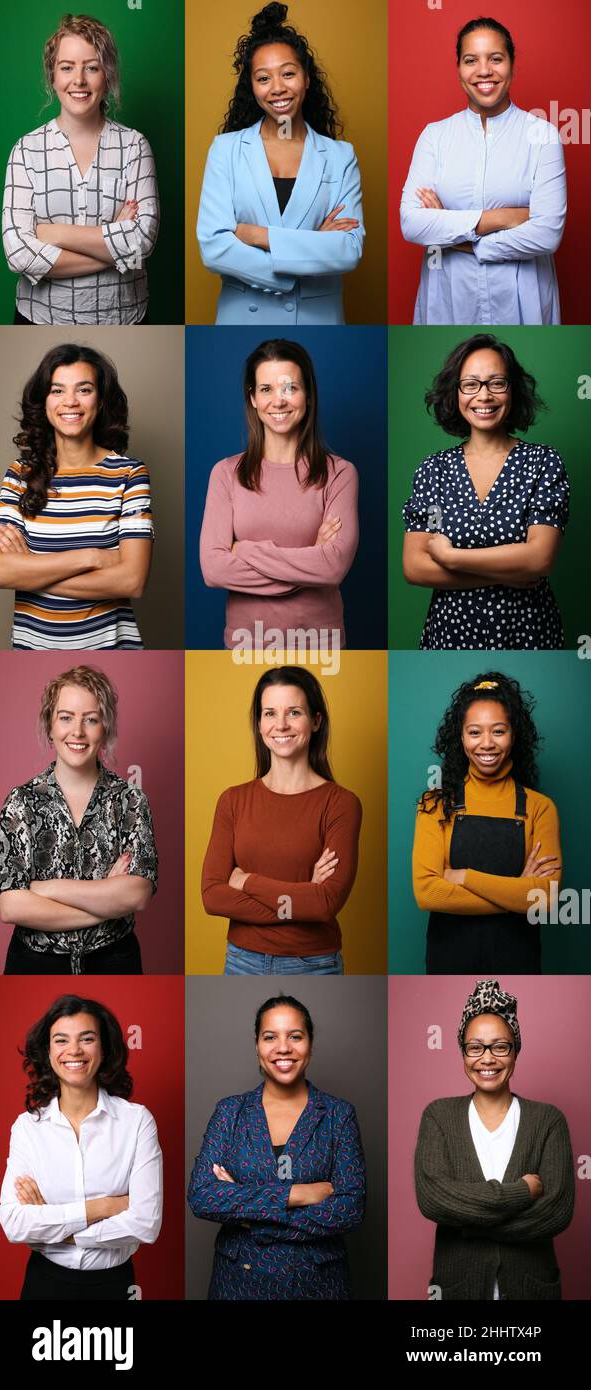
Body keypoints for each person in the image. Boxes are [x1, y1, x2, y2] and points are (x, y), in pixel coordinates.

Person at [188, 994, 365, 1300]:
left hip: (318, 1284)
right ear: (257, 1045)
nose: (283, 1047)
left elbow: (349, 1210)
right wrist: (298, 1194)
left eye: (295, 1036)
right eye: (270, 1037)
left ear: (310, 1043)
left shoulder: (338, 1114)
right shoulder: (230, 1111)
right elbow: (203, 1196)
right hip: (238, 1284)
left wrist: (249, 1215)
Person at [196, 2, 364, 325]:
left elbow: (348, 249)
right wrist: (311, 247)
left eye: (288, 73)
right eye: (263, 78)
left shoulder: (341, 157)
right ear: (253, 87)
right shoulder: (225, 150)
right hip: (242, 320)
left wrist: (259, 236)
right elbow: (214, 247)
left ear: (307, 79)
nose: (277, 88)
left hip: (319, 320)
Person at [402, 334, 569, 649]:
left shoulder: (542, 462)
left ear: (512, 390)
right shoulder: (433, 471)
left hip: (527, 632)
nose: (484, 395)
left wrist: (451, 557)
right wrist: (503, 575)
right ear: (456, 392)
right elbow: (415, 566)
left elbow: (540, 559)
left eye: (497, 383)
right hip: (449, 634)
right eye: (471, 384)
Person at [0, 342, 154, 649]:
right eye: (57, 390)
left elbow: (132, 581)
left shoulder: (130, 474)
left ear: (101, 400)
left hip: (112, 652)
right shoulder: (19, 474)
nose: (70, 402)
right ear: (44, 401)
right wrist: (91, 557)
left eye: (84, 390)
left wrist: (32, 569)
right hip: (31, 655)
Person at [0, 664, 158, 975]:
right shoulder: (22, 801)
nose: (77, 732)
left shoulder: (129, 800)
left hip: (114, 961)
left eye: (91, 719)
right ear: (50, 726)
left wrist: (47, 888)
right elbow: (11, 905)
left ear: (105, 727)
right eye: (66, 717)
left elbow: (136, 894)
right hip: (34, 963)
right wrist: (105, 901)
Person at [414, 979, 575, 1301]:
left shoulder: (548, 1120)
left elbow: (556, 1213)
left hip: (533, 1290)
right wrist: (521, 1191)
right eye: (475, 1047)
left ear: (516, 1051)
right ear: (463, 1052)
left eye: (500, 1046)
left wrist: (470, 1225)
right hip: (458, 1289)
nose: (487, 1058)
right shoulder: (439, 1116)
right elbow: (433, 1199)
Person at [400, 17, 566, 325]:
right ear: (459, 69)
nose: (484, 71)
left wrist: (457, 240)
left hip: (521, 297)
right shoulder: (434, 136)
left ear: (512, 65)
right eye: (471, 60)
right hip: (448, 294)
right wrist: (502, 218)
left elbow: (546, 235)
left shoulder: (542, 136)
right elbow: (411, 224)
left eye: (496, 59)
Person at [0, 993, 163, 1300]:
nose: (74, 1050)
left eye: (87, 1039)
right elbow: (14, 1224)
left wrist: (54, 1225)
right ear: (47, 1052)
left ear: (104, 1050)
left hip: (115, 1286)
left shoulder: (137, 1122)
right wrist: (104, 1207)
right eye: (61, 1040)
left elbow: (146, 1223)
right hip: (45, 1282)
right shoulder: (27, 1128)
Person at [201, 665, 362, 974]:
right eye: (270, 713)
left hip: (313, 964)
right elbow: (213, 897)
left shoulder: (341, 803)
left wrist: (246, 881)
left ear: (316, 721)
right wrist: (301, 899)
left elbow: (325, 903)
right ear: (259, 724)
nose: (281, 725)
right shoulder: (232, 800)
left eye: (294, 713)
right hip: (241, 961)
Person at [199, 338, 359, 650]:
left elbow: (333, 567)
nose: (279, 400)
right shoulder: (225, 473)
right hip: (247, 643)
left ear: (308, 395)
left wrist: (243, 550)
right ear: (253, 399)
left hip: (320, 643)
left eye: (291, 388)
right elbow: (214, 570)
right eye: (266, 389)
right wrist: (310, 556)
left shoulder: (341, 473)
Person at [2, 12, 159, 325]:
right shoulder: (26, 150)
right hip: (39, 319)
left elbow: (141, 242)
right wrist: (115, 252)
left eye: (92, 67)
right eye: (67, 67)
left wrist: (54, 233)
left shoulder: (134, 146)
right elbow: (18, 253)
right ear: (53, 77)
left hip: (123, 319)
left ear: (107, 75)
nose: (79, 80)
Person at [412, 671, 561, 973]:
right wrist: (516, 891)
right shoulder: (435, 804)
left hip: (518, 959)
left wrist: (464, 876)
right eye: (475, 732)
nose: (487, 744)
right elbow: (427, 893)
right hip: (448, 960)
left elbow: (545, 899)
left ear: (514, 734)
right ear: (461, 737)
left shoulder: (540, 808)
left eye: (499, 731)